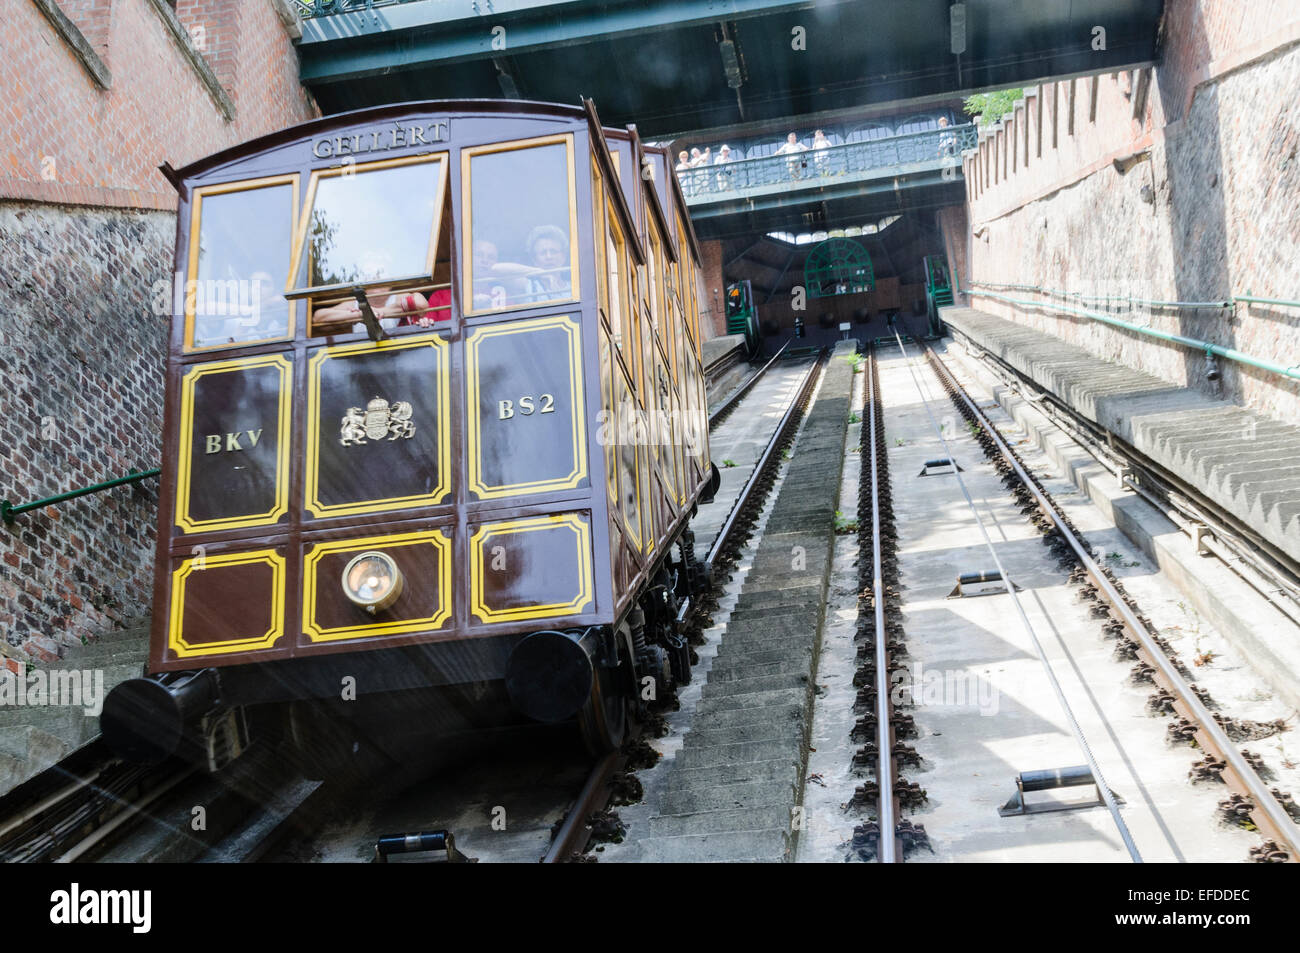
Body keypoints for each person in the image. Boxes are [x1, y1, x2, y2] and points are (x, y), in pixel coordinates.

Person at [522, 224, 571, 303]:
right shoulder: (530, 286)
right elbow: (496, 269)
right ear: (534, 260)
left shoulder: (575, 289)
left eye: (553, 251)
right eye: (543, 253)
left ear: (563, 257)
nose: (549, 256)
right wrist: (539, 272)